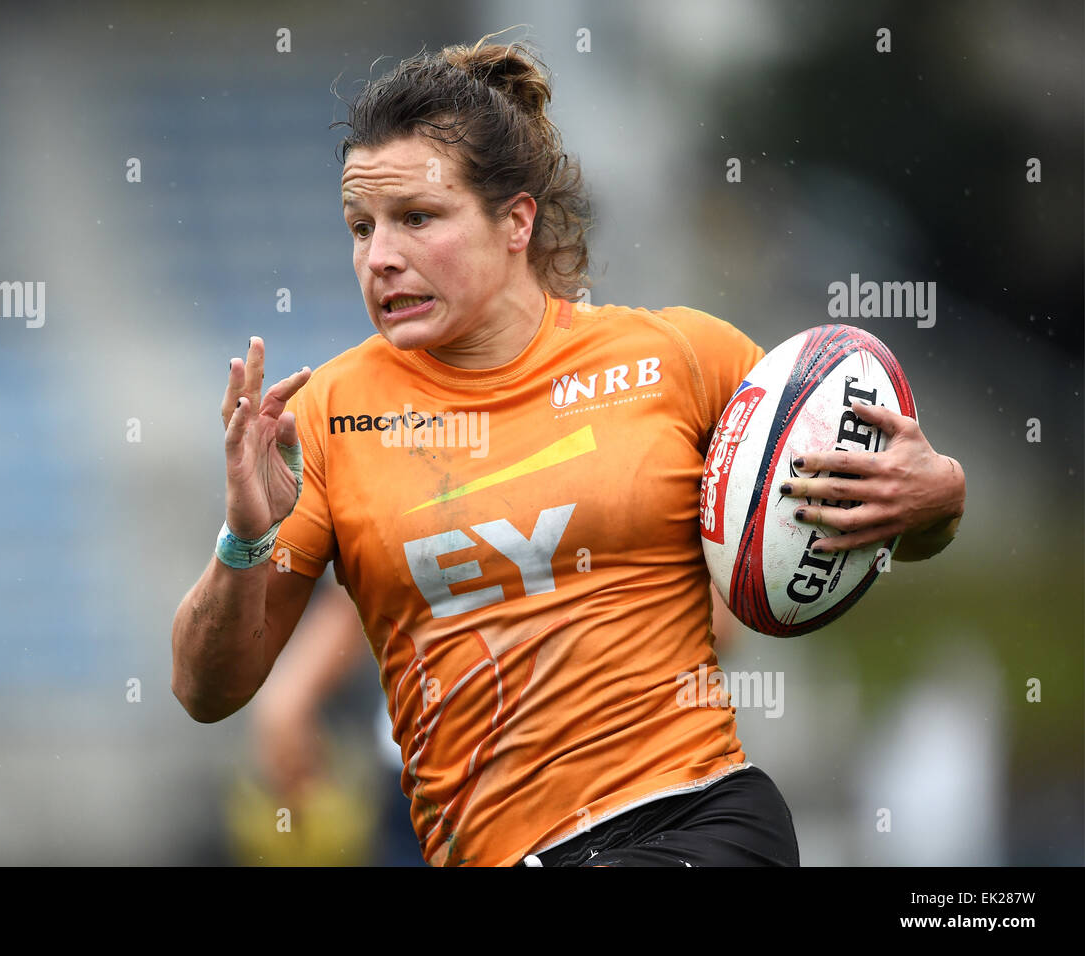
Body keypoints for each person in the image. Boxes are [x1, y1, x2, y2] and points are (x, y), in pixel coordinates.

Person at [171, 33, 966, 867]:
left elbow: (879, 517)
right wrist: (243, 539)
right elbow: (204, 690)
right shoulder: (331, 415)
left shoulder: (680, 358)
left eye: (416, 219)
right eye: (360, 227)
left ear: (516, 221)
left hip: (701, 821)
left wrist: (937, 500)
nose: (381, 258)